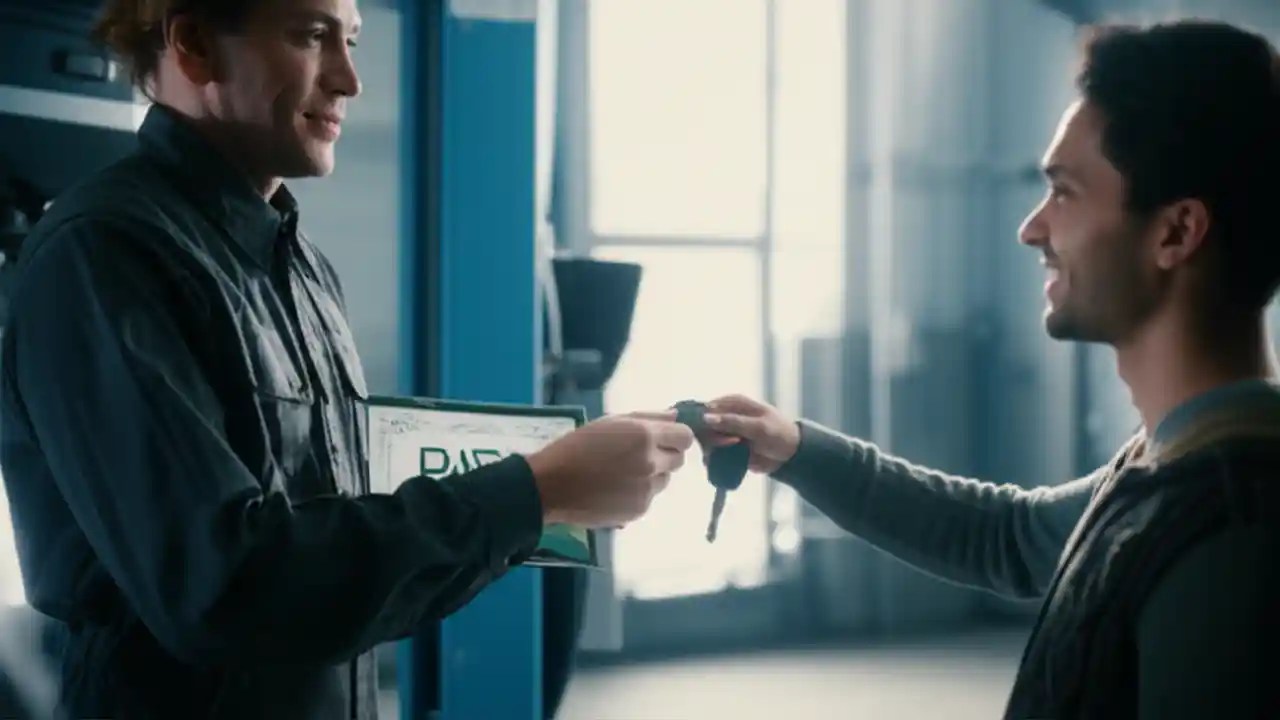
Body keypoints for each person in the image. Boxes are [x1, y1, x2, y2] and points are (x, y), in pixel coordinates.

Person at [0, 0, 694, 717]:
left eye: (352, 40)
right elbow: (227, 588)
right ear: (196, 44)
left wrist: (570, 469)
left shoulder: (300, 263)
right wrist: (535, 493)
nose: (350, 80)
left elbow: (331, 527)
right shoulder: (106, 256)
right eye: (312, 36)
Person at [702, 20, 1280, 720]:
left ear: (1175, 232)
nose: (1031, 228)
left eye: (1064, 192)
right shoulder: (1168, 466)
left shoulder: (1235, 530)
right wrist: (794, 448)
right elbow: (1003, 536)